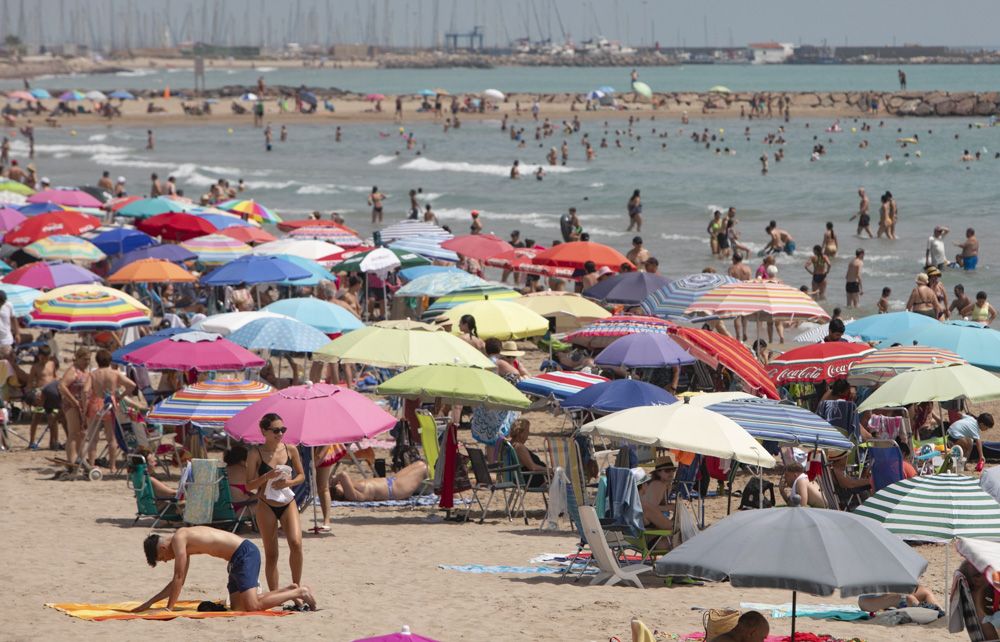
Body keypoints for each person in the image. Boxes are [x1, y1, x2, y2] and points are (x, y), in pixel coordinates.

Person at [135, 527, 315, 612]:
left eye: (161, 559)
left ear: (162, 549)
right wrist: (150, 602)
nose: (165, 561)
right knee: (239, 608)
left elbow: (178, 577)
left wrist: (169, 609)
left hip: (245, 554)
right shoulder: (181, 542)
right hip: (235, 561)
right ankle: (288, 590)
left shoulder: (179, 538)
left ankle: (300, 591)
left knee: (252, 606)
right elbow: (178, 581)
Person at [244, 413, 306, 592]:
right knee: (272, 555)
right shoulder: (255, 453)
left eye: (283, 430)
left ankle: (296, 587)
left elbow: (301, 476)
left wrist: (289, 483)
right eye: (276, 430)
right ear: (263, 431)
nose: (280, 434)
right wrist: (266, 476)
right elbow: (249, 486)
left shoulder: (290, 449)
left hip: (287, 501)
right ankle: (275, 594)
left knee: (295, 543)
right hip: (266, 504)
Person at [87, 349, 136, 475]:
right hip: (110, 404)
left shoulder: (93, 374)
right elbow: (132, 385)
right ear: (110, 360)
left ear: (97, 361)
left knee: (93, 438)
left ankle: (92, 465)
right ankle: (112, 466)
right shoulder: (114, 373)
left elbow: (85, 390)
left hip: (95, 404)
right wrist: (120, 396)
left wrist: (83, 405)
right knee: (112, 439)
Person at [58, 348, 92, 473]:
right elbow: (62, 386)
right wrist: (74, 401)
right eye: (84, 359)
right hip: (71, 405)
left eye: (88, 359)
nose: (87, 362)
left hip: (82, 405)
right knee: (73, 433)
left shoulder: (85, 371)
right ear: (77, 358)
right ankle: (72, 461)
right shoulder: (73, 371)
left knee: (83, 434)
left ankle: (82, 459)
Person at [330, 460, 428, 502]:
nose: (338, 485)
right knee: (424, 468)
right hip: (396, 489)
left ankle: (427, 487)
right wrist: (333, 480)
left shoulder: (352, 488)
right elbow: (343, 475)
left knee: (420, 463)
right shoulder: (352, 496)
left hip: (392, 481)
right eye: (336, 488)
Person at [508, 419, 548, 489]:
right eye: (527, 432)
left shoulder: (510, 444)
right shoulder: (519, 447)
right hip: (529, 479)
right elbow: (533, 468)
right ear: (521, 433)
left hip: (523, 477)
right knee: (559, 479)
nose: (528, 436)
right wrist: (549, 470)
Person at [639, 456, 676, 532]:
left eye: (673, 470)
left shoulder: (667, 485)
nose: (671, 473)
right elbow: (650, 508)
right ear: (658, 472)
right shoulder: (658, 485)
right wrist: (670, 507)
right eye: (667, 470)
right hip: (647, 525)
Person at [0, 290, 19, 359]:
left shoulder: (8, 305)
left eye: (3, 302)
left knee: (8, 364)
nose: (2, 304)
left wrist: (17, 333)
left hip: (6, 341)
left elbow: (14, 318)